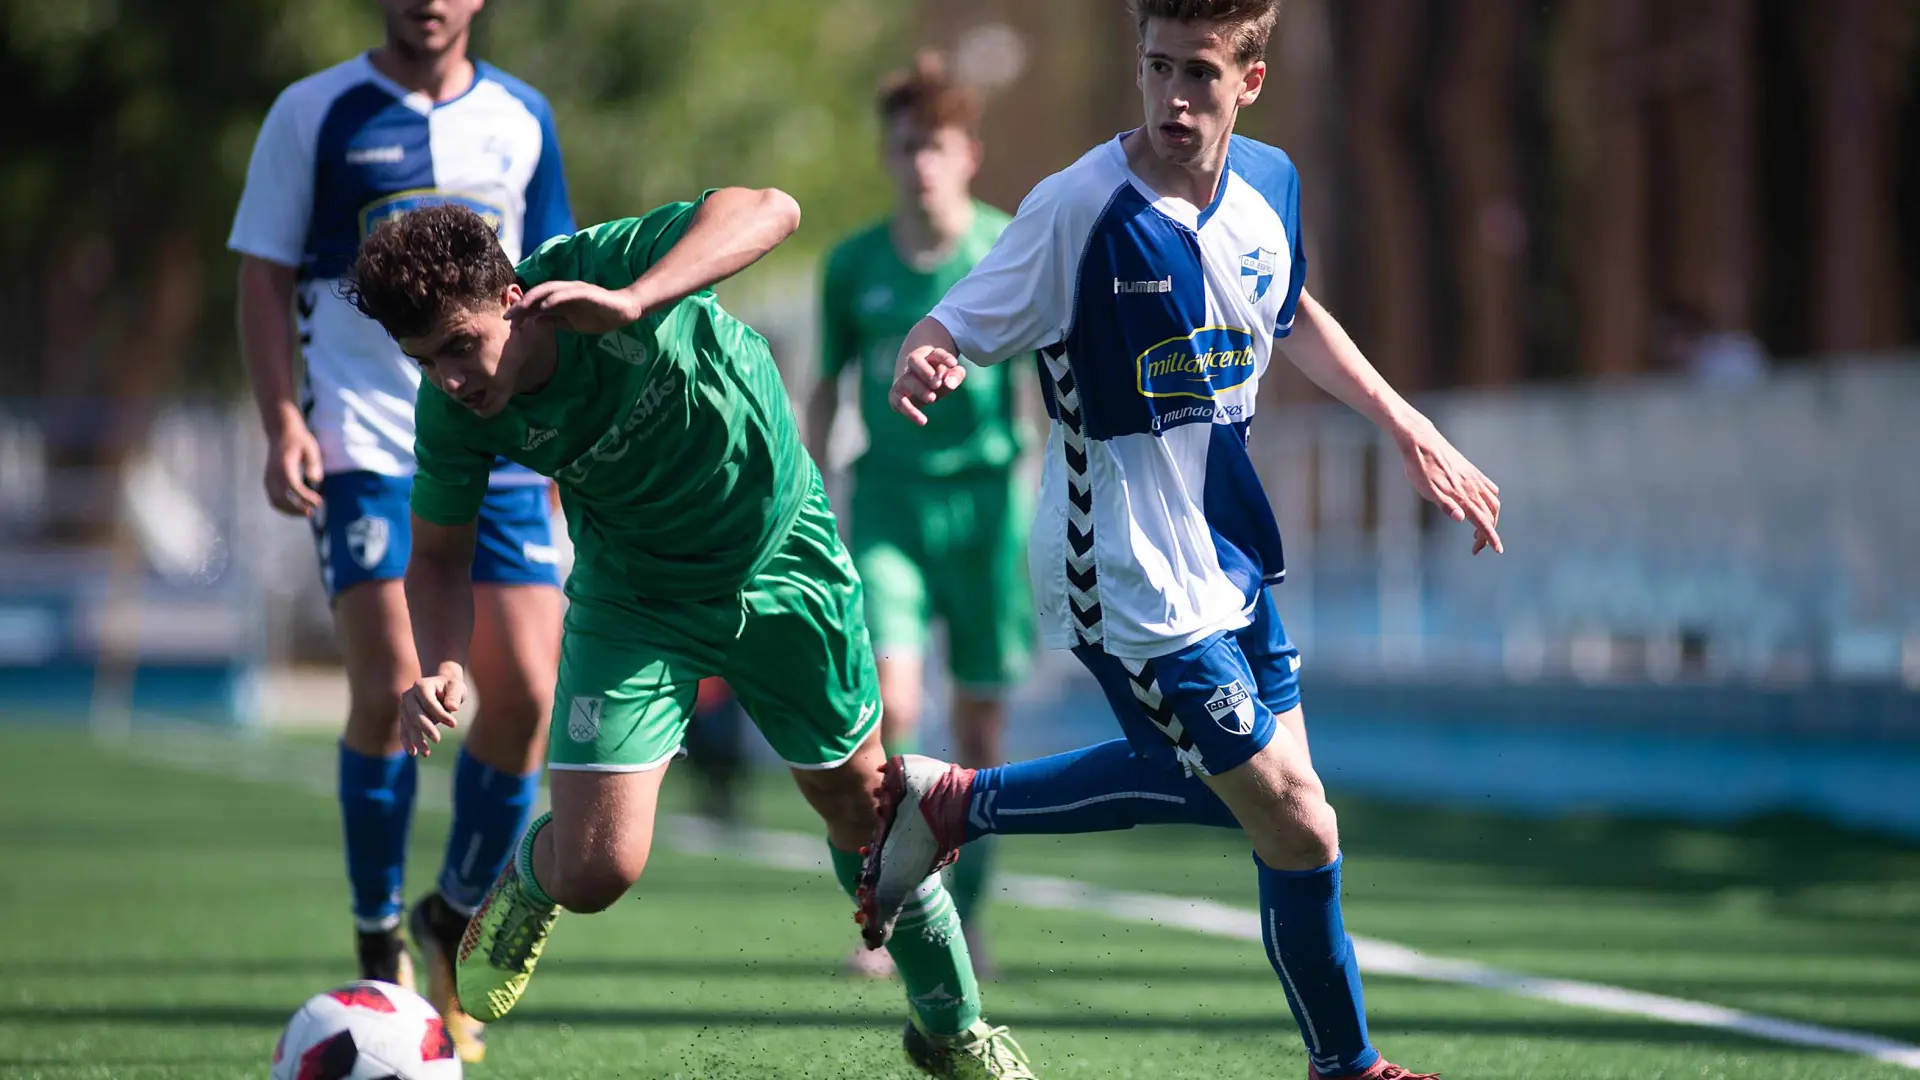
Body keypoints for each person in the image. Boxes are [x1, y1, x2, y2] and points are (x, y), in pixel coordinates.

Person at [853, 2, 1504, 1078]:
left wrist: (1407, 424)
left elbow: (1289, 309)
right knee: (1289, 809)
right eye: (1157, 68)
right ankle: (959, 803)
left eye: (1200, 73)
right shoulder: (1080, 208)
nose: (1173, 98)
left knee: (1299, 828)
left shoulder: (1272, 186)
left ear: (1250, 80)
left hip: (1232, 557)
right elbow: (959, 317)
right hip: (1126, 572)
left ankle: (953, 799)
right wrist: (927, 351)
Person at [345, 193, 1034, 1079]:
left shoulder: (604, 267)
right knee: (596, 870)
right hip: (637, 601)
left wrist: (639, 299)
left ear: (514, 299)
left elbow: (777, 208)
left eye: (459, 347)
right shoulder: (454, 413)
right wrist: (438, 663)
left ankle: (953, 1030)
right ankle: (531, 876)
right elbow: (438, 558)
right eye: (423, 360)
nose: (448, 379)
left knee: (866, 814)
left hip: (783, 564)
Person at [228, 0, 570, 1062]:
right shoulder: (312, 112)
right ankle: (380, 950)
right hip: (365, 443)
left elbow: (551, 275)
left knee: (522, 697)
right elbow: (263, 273)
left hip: (498, 433)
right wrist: (283, 419)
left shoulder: (523, 116)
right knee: (390, 688)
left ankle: (451, 917)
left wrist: (561, 439)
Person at [809, 51, 1035, 979]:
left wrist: (1063, 490)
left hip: (988, 511)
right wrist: (813, 494)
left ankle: (969, 914)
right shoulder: (851, 264)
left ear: (969, 153)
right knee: (892, 705)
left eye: (937, 146)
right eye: (907, 147)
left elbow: (1045, 381)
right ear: (888, 154)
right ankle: (895, 903)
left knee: (981, 733)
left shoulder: (1010, 245)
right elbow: (824, 387)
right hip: (891, 509)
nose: (921, 165)